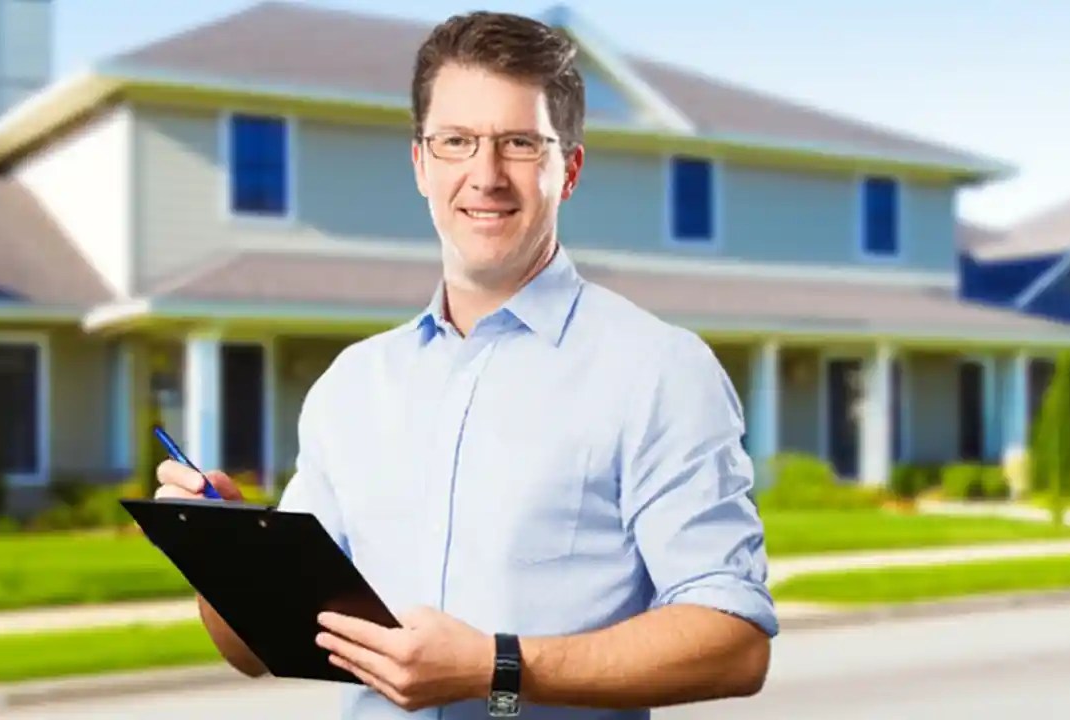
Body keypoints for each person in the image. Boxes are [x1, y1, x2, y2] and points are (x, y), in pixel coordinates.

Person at [156, 9, 777, 719]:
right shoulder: (352, 386)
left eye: (520, 144)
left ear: (569, 170)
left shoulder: (659, 371)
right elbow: (260, 647)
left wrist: (495, 667)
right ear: (421, 165)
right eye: (456, 142)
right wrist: (225, 558)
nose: (486, 176)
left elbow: (734, 643)